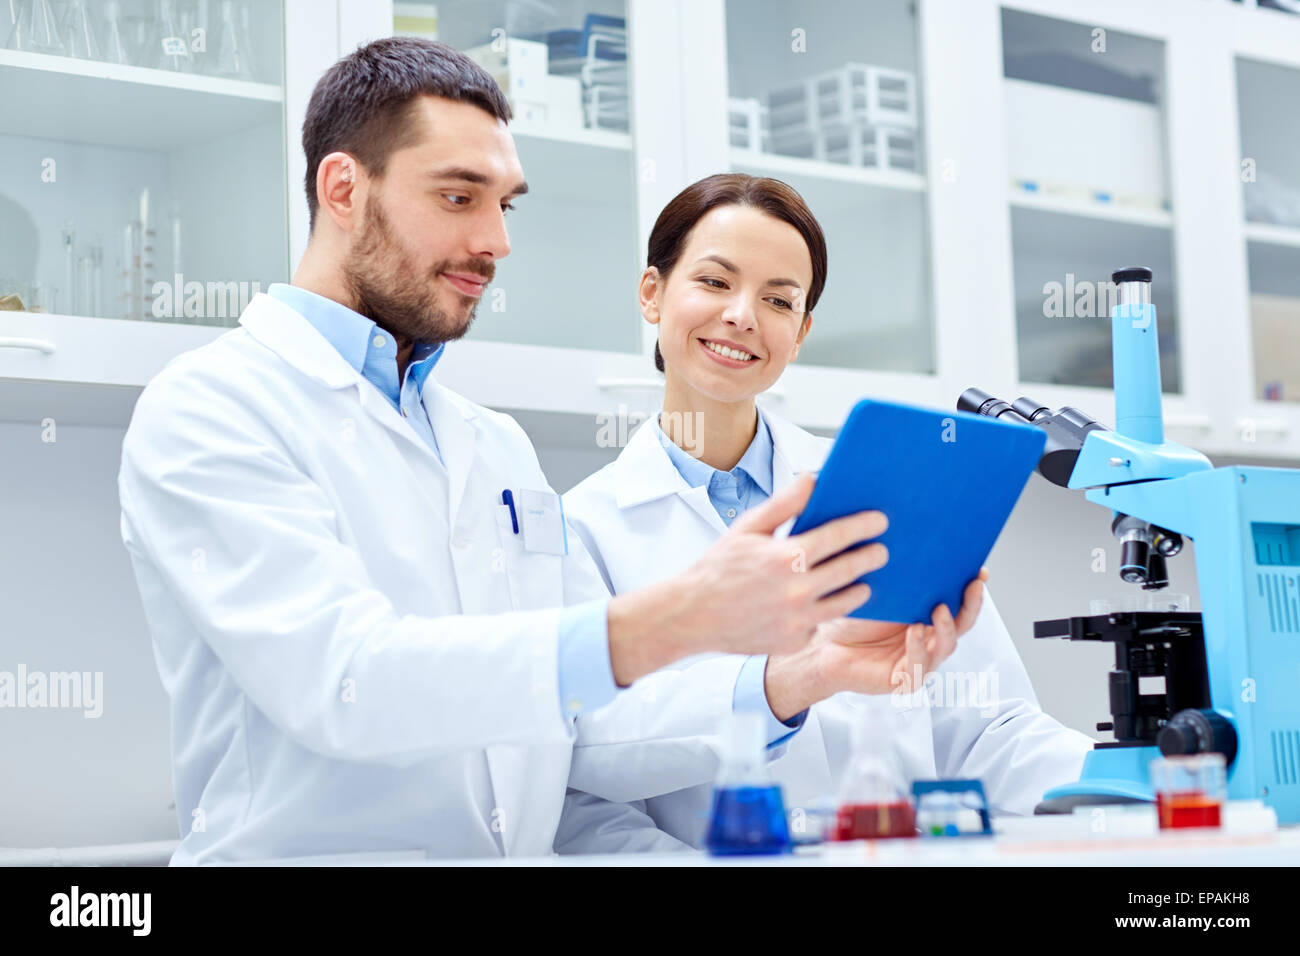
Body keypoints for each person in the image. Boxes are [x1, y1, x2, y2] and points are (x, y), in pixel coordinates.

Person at [116, 39, 944, 864]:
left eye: (505, 205)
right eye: (458, 197)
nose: (496, 241)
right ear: (344, 188)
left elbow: (578, 722)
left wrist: (795, 677)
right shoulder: (212, 407)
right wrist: (683, 613)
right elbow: (347, 681)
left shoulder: (494, 444)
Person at [558, 173, 1095, 852]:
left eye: (778, 300)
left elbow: (989, 730)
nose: (743, 316)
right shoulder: (582, 529)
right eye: (716, 282)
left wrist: (1122, 782)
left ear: (802, 330)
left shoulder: (889, 489)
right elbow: (584, 784)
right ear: (652, 293)